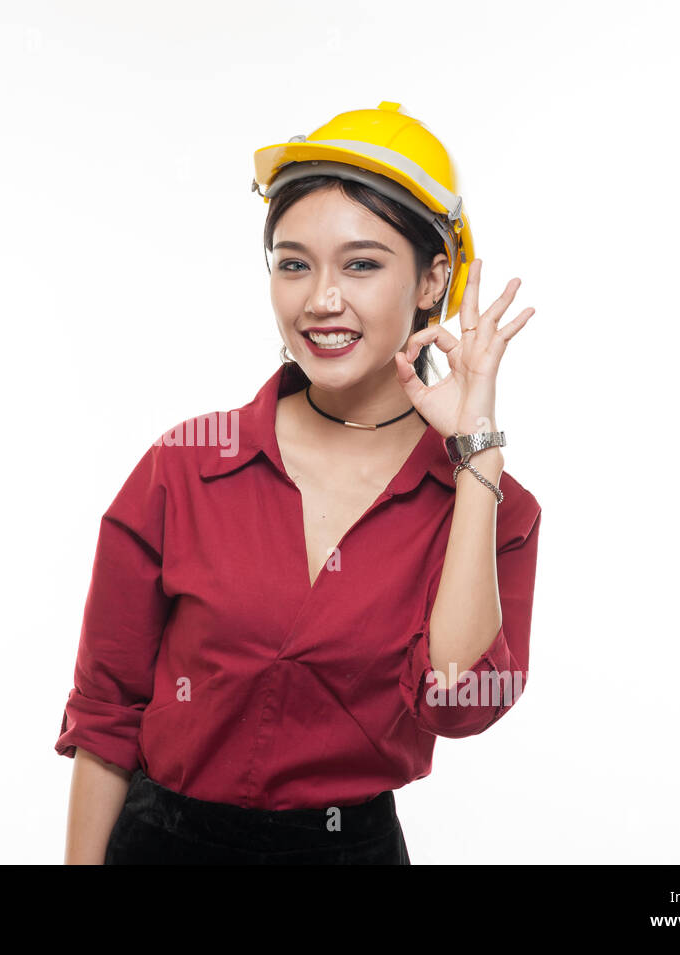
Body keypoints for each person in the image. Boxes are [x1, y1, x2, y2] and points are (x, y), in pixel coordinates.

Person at [55, 101, 541, 864]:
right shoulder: (185, 465)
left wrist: (474, 454)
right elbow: (107, 713)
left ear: (431, 280)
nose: (320, 299)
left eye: (362, 263)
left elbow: (455, 700)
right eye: (293, 262)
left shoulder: (490, 507)